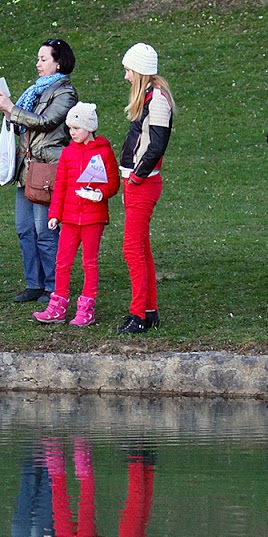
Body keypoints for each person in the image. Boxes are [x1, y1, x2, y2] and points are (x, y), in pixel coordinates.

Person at [0, 38, 78, 304]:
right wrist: (9, 111)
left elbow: (46, 121)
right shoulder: (36, 91)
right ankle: (34, 283)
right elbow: (25, 125)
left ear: (58, 63)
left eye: (43, 59)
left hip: (46, 170)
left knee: (45, 231)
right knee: (25, 229)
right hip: (26, 169)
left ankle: (53, 286)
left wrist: (12, 109)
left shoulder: (66, 93)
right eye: (38, 59)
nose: (38, 64)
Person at [34, 101, 119, 327]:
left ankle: (86, 308)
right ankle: (58, 306)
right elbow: (60, 186)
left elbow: (113, 182)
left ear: (89, 127)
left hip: (93, 217)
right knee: (62, 262)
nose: (72, 132)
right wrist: (55, 214)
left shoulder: (104, 152)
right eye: (70, 128)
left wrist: (100, 194)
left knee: (89, 262)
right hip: (70, 218)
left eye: (76, 128)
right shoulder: (68, 154)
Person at [116, 43, 174, 333]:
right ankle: (149, 311)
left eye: (129, 70)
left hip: (143, 182)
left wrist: (137, 176)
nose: (126, 76)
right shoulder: (150, 97)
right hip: (137, 180)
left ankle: (138, 314)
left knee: (132, 249)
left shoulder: (157, 99)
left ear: (139, 71)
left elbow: (157, 145)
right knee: (141, 248)